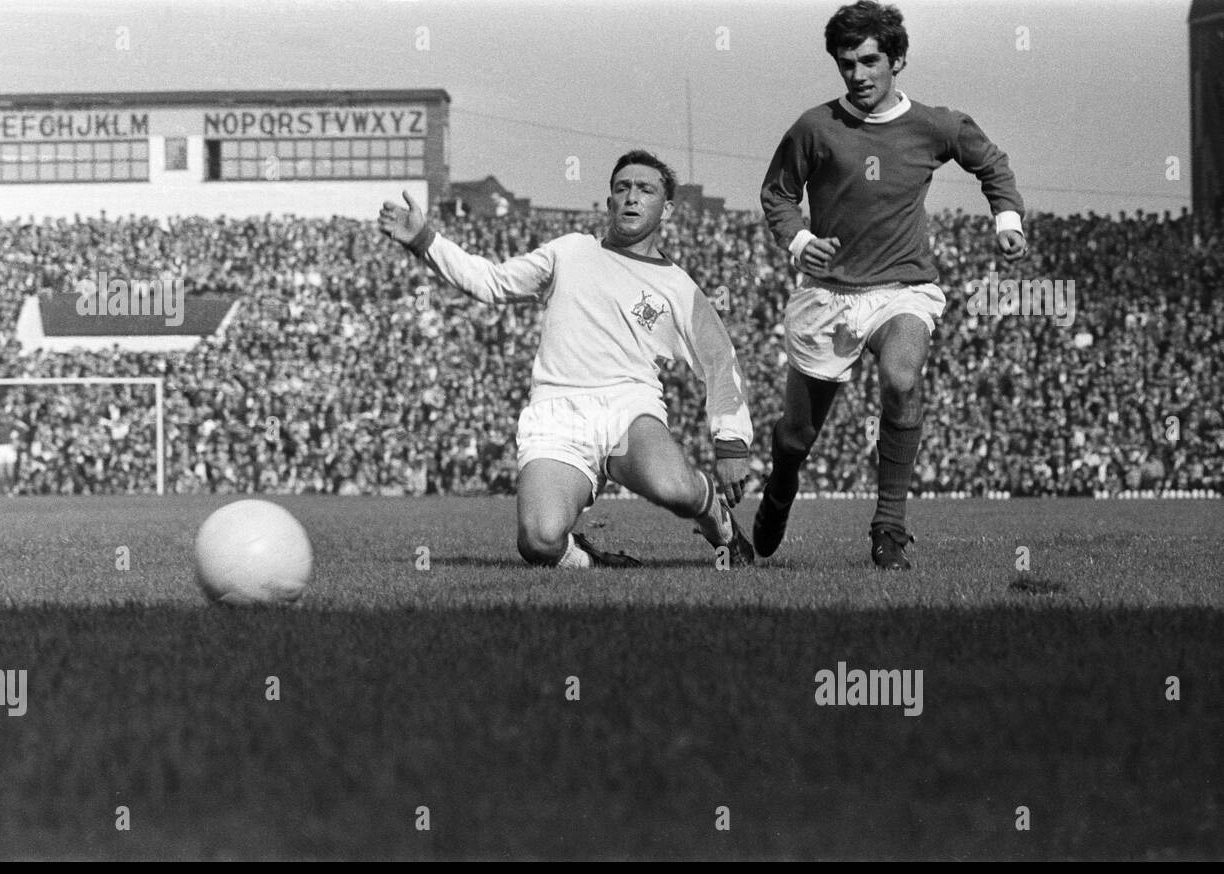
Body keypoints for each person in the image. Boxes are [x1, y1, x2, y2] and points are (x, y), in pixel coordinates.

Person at [379, 150, 755, 567]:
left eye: (645, 189)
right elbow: (489, 282)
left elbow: (720, 359)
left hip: (626, 407)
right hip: (556, 412)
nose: (631, 197)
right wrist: (424, 240)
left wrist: (731, 442)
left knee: (674, 489)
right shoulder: (569, 252)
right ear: (610, 201)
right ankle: (589, 560)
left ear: (665, 209)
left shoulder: (677, 286)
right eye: (622, 188)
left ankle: (719, 523)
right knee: (538, 542)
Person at [758, 0, 1027, 568]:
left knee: (902, 379)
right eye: (845, 64)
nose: (857, 75)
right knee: (798, 436)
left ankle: (889, 529)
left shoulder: (936, 124)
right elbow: (778, 193)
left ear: (897, 60)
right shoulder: (815, 127)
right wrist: (802, 242)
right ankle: (781, 486)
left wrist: (1007, 219)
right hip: (829, 293)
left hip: (902, 288)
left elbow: (992, 164)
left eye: (869, 60)